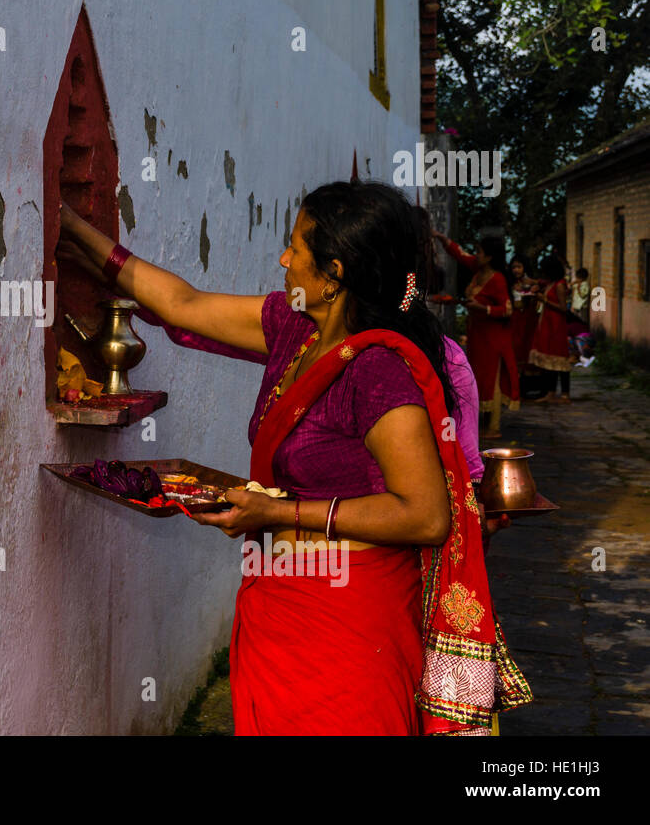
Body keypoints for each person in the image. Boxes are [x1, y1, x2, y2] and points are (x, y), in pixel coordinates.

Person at [57, 181, 531, 735]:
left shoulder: (378, 371)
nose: (283, 259)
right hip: (282, 602)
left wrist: (279, 514)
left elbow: (425, 515)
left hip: (349, 622)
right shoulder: (296, 328)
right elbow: (182, 304)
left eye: (294, 248)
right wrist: (72, 229)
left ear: (332, 274)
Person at [433, 230, 518, 438]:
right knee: (479, 377)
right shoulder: (478, 270)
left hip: (494, 337)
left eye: (479, 252)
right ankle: (484, 423)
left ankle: (494, 427)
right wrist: (443, 240)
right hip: (478, 335)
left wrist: (483, 308)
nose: (476, 255)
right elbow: (461, 256)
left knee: (492, 379)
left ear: (489, 256)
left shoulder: (497, 279)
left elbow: (507, 309)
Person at [530, 255, 574, 403]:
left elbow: (563, 308)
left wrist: (545, 300)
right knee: (550, 359)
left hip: (556, 325)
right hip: (548, 323)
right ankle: (551, 392)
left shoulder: (560, 285)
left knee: (560, 358)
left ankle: (565, 394)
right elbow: (539, 282)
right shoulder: (551, 283)